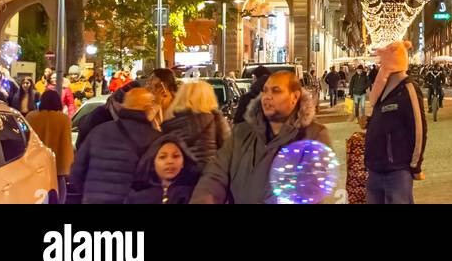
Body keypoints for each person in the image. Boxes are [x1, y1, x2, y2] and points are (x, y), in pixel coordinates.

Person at [191, 71, 331, 204]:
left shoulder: (313, 136)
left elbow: (310, 189)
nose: (267, 96)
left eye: (276, 91)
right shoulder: (241, 133)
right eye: (265, 90)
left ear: (294, 97)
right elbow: (214, 177)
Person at [67, 86, 161, 204]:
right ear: (148, 108)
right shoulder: (154, 139)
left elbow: (76, 172)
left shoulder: (99, 131)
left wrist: (90, 193)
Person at [362, 41, 426, 205]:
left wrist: (415, 166)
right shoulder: (383, 88)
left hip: (397, 170)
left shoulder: (408, 88)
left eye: (383, 60)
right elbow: (386, 120)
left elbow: (418, 129)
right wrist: (369, 123)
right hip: (375, 168)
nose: (380, 65)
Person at [163, 79, 231, 167]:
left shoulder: (169, 122)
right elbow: (228, 149)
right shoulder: (215, 118)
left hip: (179, 173)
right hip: (209, 173)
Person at [26, 89, 74, 202]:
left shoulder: (31, 117)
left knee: (35, 187)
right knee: (60, 184)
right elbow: (66, 143)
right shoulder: (64, 119)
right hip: (58, 161)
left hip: (36, 161)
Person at [126, 135, 201, 204]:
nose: (170, 161)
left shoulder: (194, 192)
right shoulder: (137, 197)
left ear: (183, 163)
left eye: (176, 156)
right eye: (162, 157)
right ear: (152, 163)